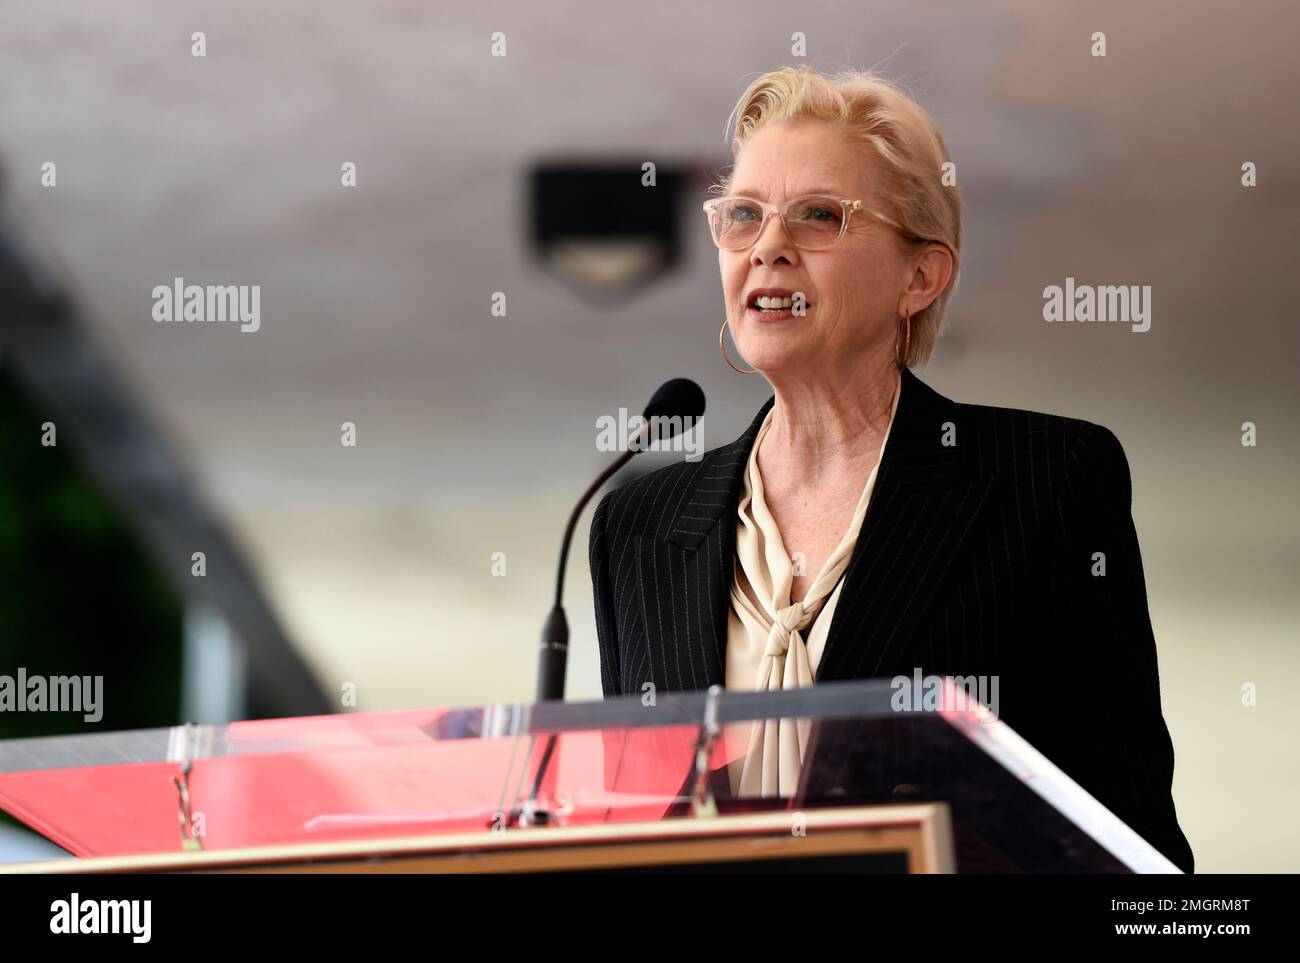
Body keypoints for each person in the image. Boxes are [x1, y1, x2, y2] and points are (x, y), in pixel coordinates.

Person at [588, 66, 1193, 872]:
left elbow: (1131, 839)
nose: (768, 246)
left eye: (818, 216)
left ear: (920, 276)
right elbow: (630, 828)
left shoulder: (1045, 483)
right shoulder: (636, 525)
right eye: (744, 215)